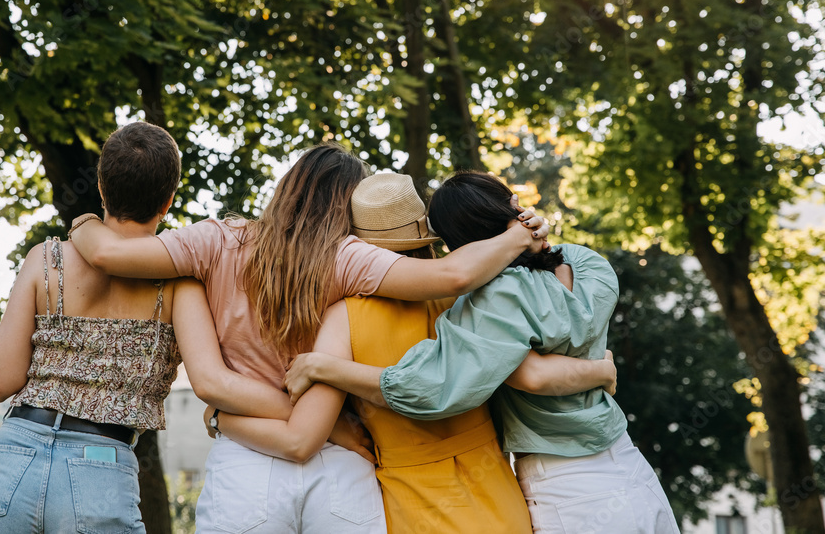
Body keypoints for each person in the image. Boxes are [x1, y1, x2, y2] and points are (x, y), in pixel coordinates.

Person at [67, 142, 552, 533]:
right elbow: (450, 277)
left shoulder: (216, 241)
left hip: (248, 461)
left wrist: (84, 220)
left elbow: (108, 256)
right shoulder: (349, 257)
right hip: (342, 461)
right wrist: (519, 236)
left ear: (286, 187)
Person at [205, 173, 618, 533]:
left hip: (412, 499)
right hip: (495, 488)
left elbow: (304, 434)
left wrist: (225, 414)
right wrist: (600, 371)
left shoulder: (341, 318)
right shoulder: (475, 300)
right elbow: (532, 370)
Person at [285, 171, 680, 534]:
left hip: (562, 483)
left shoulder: (492, 300)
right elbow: (533, 368)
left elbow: (435, 386)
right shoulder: (588, 263)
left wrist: (323, 367)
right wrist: (601, 370)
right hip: (626, 462)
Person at [0, 122, 293, 534]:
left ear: (101, 187)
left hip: (13, 456)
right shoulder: (179, 282)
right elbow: (211, 383)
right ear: (168, 201)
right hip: (100, 468)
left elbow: (0, 381)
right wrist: (296, 407)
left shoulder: (45, 260)